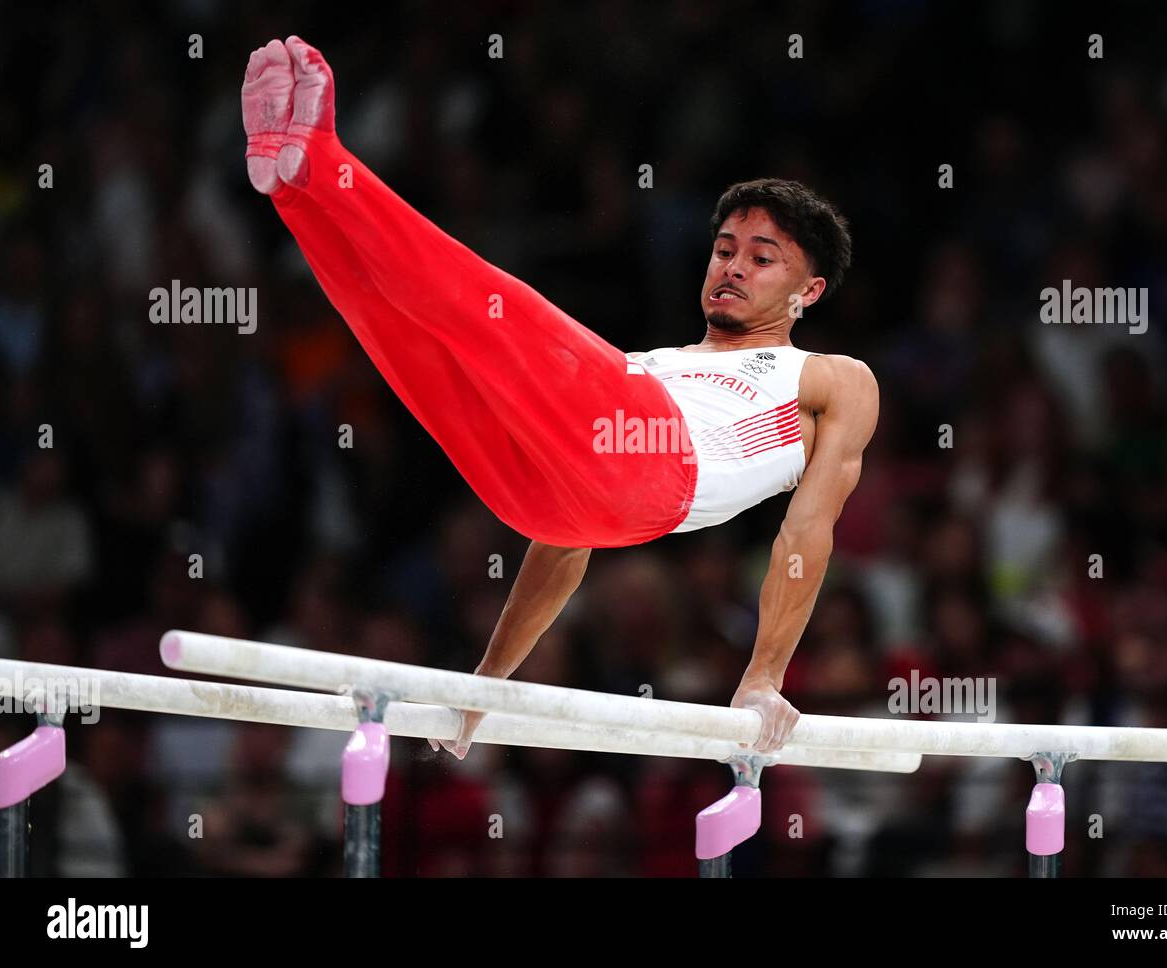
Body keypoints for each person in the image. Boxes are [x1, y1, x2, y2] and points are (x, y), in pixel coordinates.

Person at [241, 37, 879, 756]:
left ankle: (322, 160)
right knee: (410, 341)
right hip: (546, 498)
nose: (733, 267)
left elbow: (806, 534)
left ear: (809, 291)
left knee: (485, 305)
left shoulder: (833, 379)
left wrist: (763, 676)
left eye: (762, 259)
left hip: (659, 469)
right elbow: (564, 544)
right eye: (725, 248)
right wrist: (487, 686)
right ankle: (291, 189)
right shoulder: (654, 362)